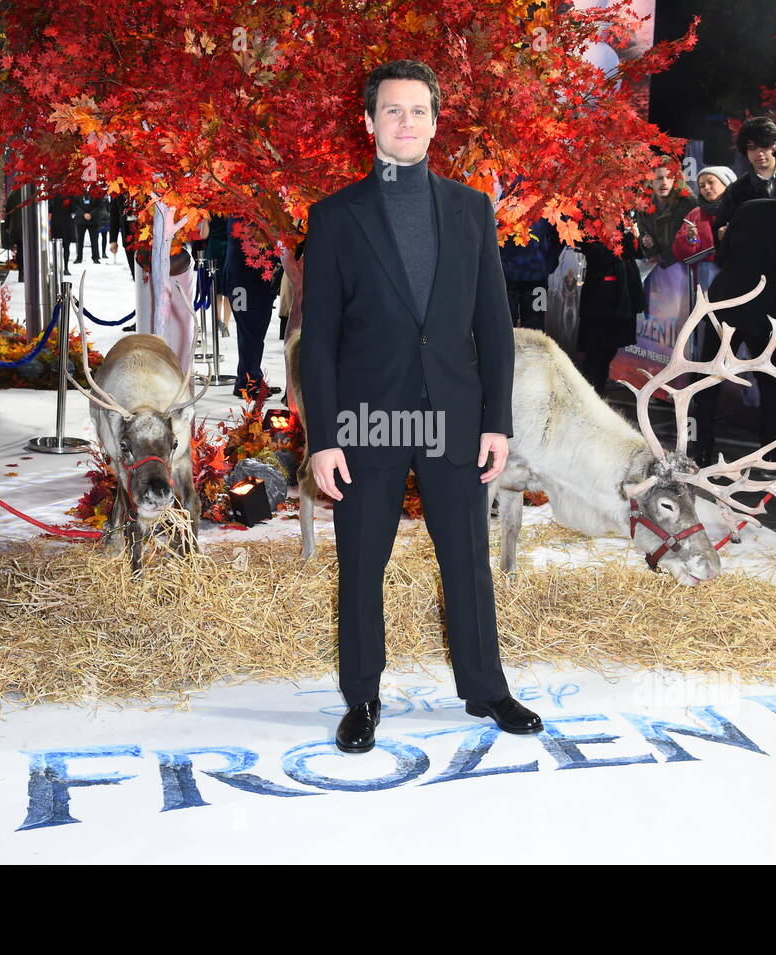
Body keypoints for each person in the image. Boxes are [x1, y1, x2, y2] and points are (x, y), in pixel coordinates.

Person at [300, 59, 539, 754]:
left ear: (436, 122)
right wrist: (323, 436)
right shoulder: (335, 216)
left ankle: (486, 687)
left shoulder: (470, 210)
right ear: (368, 122)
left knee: (466, 556)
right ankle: (363, 696)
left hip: (455, 415)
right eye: (392, 110)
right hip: (367, 418)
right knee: (362, 559)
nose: (406, 122)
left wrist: (498, 420)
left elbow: (494, 326)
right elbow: (318, 341)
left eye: (418, 111)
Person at [691, 160, 776, 468]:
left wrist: (728, 241)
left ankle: (701, 448)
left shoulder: (749, 208)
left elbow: (723, 258)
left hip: (723, 304)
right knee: (769, 383)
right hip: (765, 313)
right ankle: (770, 454)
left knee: (708, 377)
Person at [714, 117, 776, 239]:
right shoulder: (737, 190)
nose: (759, 153)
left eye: (764, 146)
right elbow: (719, 229)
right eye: (752, 148)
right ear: (745, 150)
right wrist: (722, 234)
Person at [577, 227, 645, 396]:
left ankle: (598, 393)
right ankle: (588, 396)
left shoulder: (625, 221)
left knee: (609, 350)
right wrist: (623, 243)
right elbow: (597, 255)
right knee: (595, 352)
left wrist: (634, 239)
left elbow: (635, 252)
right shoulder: (591, 222)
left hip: (624, 297)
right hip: (600, 298)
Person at [224, 214, 280, 399]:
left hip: (258, 279)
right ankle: (248, 382)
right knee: (250, 331)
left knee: (255, 332)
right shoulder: (242, 215)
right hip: (243, 280)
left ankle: (250, 378)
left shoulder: (257, 211)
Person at [499, 205, 563, 331]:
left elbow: (561, 236)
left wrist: (549, 262)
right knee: (512, 326)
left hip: (533, 277)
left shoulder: (548, 201)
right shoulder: (504, 198)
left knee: (532, 327)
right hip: (509, 277)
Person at [671, 165, 735, 266]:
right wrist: (691, 239)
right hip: (704, 275)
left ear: (726, 183)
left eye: (711, 182)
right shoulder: (695, 214)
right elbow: (679, 253)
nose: (706, 188)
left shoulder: (740, 209)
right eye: (702, 186)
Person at [636, 163, 697, 268]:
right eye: (659, 178)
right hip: (658, 269)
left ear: (675, 180)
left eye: (668, 177)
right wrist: (649, 246)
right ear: (650, 181)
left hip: (686, 266)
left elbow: (697, 241)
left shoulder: (688, 203)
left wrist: (664, 257)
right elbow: (645, 245)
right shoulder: (643, 205)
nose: (664, 183)